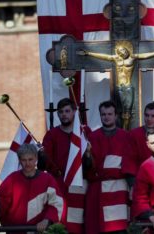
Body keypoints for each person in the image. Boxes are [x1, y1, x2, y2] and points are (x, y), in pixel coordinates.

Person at [77, 41, 154, 129]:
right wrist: (88, 53)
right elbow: (103, 56)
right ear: (118, 52)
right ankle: (121, 130)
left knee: (128, 112)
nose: (123, 52)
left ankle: (125, 130)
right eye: (121, 51)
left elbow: (145, 56)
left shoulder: (132, 57)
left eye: (124, 50)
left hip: (129, 86)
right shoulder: (115, 58)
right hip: (119, 88)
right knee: (119, 111)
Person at [0, 143, 64, 233]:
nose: (27, 163)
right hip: (14, 232)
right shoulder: (12, 179)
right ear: (19, 160)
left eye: (30, 159)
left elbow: (56, 203)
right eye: (24, 160)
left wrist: (48, 219)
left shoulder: (48, 180)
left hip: (39, 232)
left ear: (36, 158)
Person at [42, 98, 91, 233]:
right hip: (60, 184)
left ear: (74, 112)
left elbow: (92, 160)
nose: (64, 114)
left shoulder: (85, 132)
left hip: (81, 183)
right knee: (62, 222)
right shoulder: (52, 135)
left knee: (81, 223)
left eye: (67, 111)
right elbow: (46, 160)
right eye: (61, 112)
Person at [84, 100, 131, 234]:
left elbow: (129, 162)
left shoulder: (125, 136)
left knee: (119, 228)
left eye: (109, 114)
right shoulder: (92, 137)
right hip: (98, 189)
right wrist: (87, 157)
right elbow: (88, 166)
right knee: (98, 227)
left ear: (116, 116)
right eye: (103, 114)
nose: (106, 117)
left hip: (119, 189)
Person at [124, 102, 154, 178]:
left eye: (153, 116)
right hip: (141, 178)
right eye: (146, 115)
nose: (149, 119)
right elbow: (129, 161)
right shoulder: (134, 134)